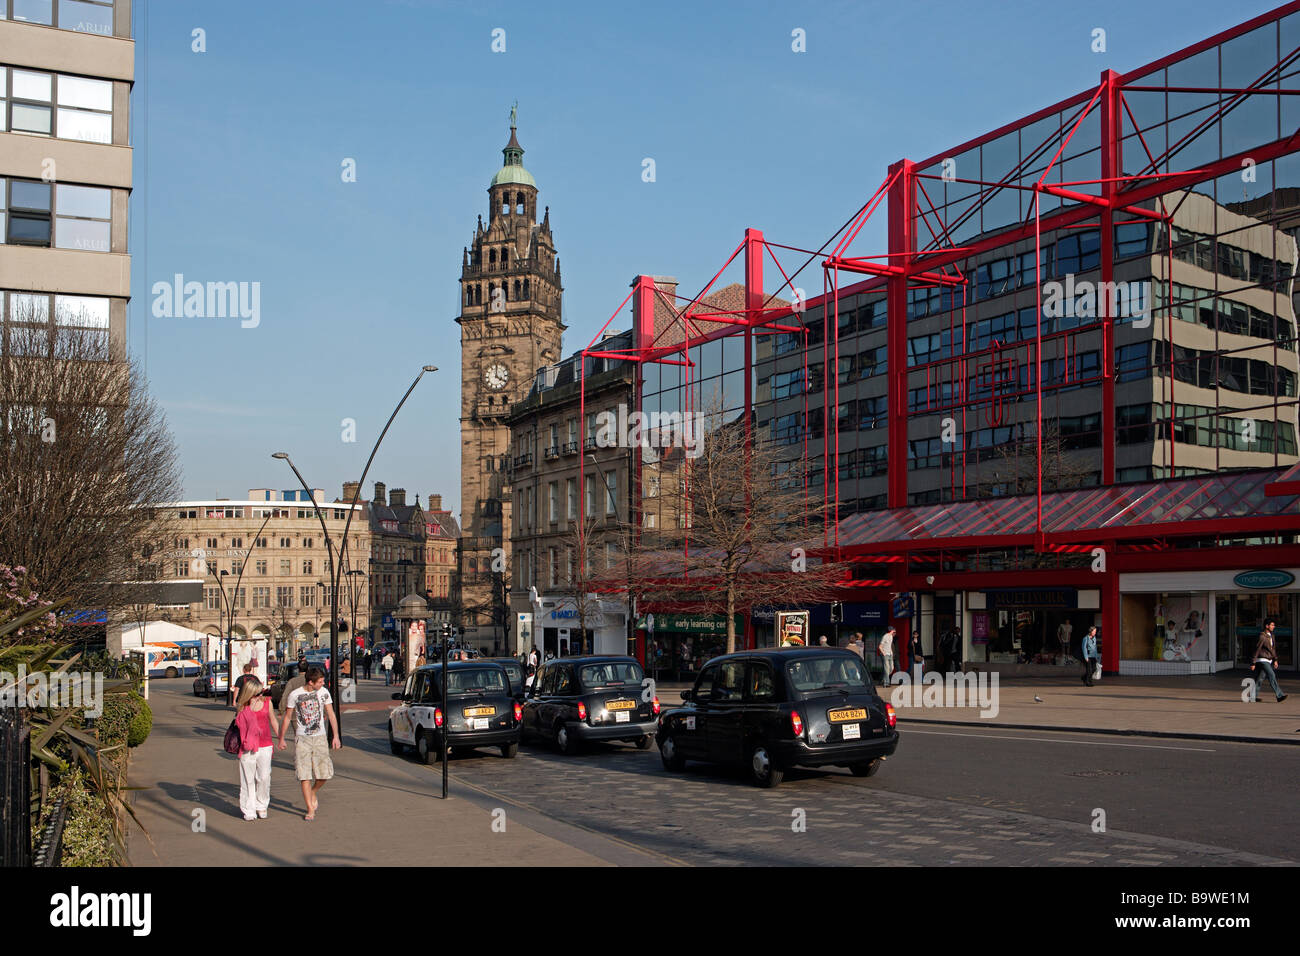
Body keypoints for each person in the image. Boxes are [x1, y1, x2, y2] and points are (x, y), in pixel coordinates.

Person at [278, 667, 340, 822]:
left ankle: (313, 791)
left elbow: (331, 714)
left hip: (319, 738)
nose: (323, 683)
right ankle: (310, 809)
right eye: (320, 681)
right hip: (302, 739)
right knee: (304, 774)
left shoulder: (324, 692)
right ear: (311, 682)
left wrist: (336, 736)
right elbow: (287, 717)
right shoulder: (295, 695)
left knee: (324, 774)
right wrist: (281, 738)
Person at [234, 677, 275, 821]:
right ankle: (248, 809)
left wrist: (280, 737)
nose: (260, 696)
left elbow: (273, 719)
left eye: (261, 693)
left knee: (264, 777)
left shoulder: (266, 703)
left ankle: (261, 804)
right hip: (247, 747)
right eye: (257, 694)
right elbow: (239, 725)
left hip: (265, 745)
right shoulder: (242, 707)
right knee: (247, 780)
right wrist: (247, 708)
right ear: (249, 694)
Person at [1252, 618, 1287, 702]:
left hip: (1268, 660)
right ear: (1266, 626)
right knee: (1272, 675)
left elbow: (1273, 649)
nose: (1273, 626)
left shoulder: (1272, 636)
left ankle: (1252, 697)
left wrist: (1275, 660)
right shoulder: (1262, 636)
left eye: (1273, 625)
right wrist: (1253, 662)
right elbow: (1257, 649)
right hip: (1262, 659)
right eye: (1272, 625)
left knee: (1259, 679)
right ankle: (1279, 695)